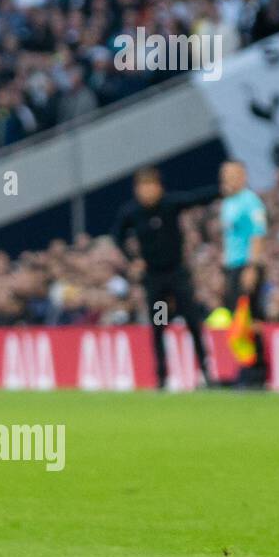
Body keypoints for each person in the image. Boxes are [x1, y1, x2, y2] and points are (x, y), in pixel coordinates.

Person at [111, 166, 216, 389]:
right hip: (155, 278)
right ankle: (161, 375)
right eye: (143, 187)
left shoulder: (170, 205)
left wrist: (223, 190)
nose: (148, 192)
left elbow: (196, 199)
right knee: (159, 324)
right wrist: (133, 259)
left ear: (159, 187)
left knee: (192, 321)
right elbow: (117, 236)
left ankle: (206, 372)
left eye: (151, 186)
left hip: (177, 274)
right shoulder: (132, 212)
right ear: (137, 190)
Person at [219, 160, 270, 387]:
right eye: (225, 175)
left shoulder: (251, 202)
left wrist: (252, 266)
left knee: (250, 317)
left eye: (232, 174)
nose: (227, 179)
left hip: (246, 265)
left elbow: (258, 235)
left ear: (243, 176)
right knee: (238, 319)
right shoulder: (228, 203)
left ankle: (257, 371)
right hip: (232, 266)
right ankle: (245, 366)